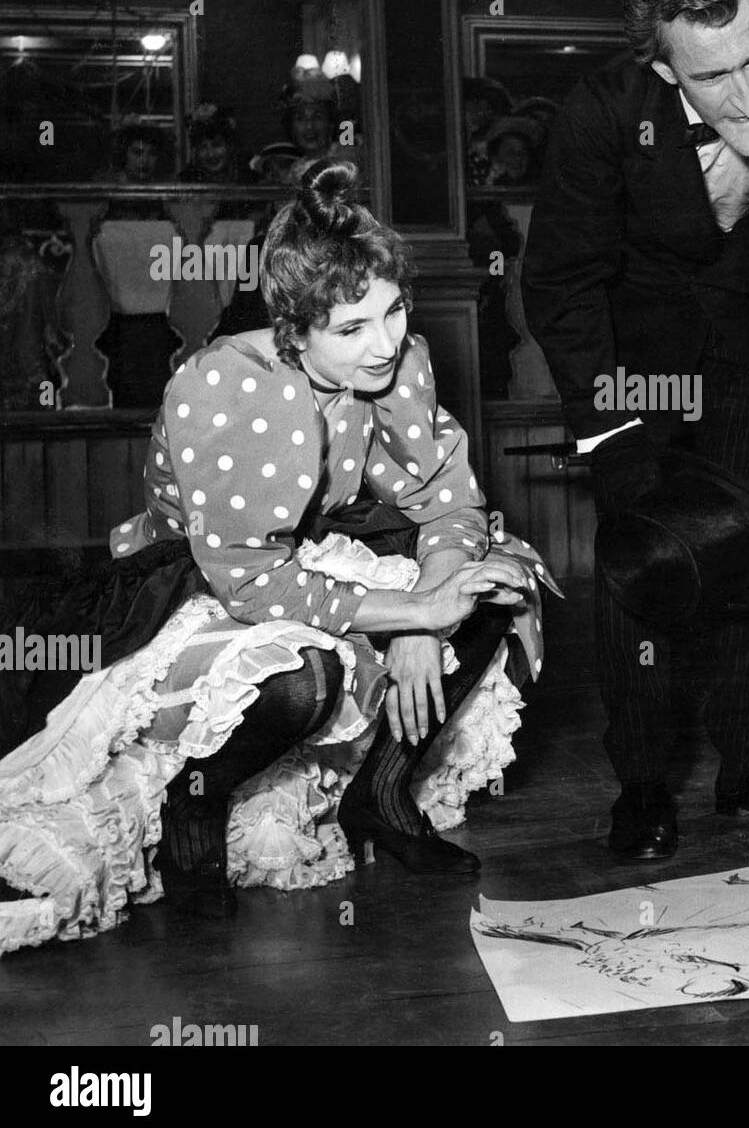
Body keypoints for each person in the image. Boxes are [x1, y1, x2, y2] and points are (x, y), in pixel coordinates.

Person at [0, 161, 551, 952]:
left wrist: (429, 616)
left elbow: (447, 499)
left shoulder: (399, 363)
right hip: (194, 580)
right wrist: (411, 611)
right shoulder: (227, 382)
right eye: (352, 329)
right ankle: (197, 802)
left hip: (326, 547)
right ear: (295, 330)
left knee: (500, 586)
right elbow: (249, 574)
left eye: (393, 312)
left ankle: (384, 793)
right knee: (301, 681)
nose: (385, 343)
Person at [522, 0, 749, 860]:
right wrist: (613, 428)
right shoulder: (597, 118)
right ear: (664, 75)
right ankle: (644, 785)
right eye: (713, 79)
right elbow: (561, 283)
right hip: (637, 363)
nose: (748, 94)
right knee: (643, 569)